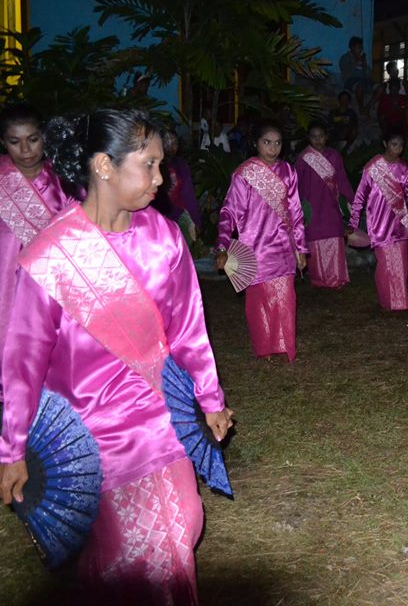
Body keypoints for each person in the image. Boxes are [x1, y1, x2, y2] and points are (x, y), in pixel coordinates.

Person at [0, 109, 233, 603]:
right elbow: (23, 361)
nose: (160, 178)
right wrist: (11, 448)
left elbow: (189, 329)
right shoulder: (51, 256)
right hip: (91, 438)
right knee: (121, 558)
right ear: (104, 165)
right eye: (148, 164)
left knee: (181, 525)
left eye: (162, 165)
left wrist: (210, 398)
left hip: (160, 418)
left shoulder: (163, 237)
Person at [216, 119, 307, 361]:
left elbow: (296, 213)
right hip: (254, 249)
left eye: (277, 143)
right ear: (256, 144)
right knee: (258, 302)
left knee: (286, 298)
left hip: (283, 247)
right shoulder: (244, 174)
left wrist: (301, 248)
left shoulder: (288, 171)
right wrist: (222, 245)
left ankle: (285, 345)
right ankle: (264, 347)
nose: (273, 148)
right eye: (267, 142)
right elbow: (229, 212)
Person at [0, 104, 72, 400]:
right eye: (14, 142)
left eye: (32, 139)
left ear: (44, 137)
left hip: (50, 280)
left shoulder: (63, 178)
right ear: (3, 143)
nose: (25, 149)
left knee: (50, 337)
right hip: (6, 279)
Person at [348, 130, 408, 311]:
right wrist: (353, 223)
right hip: (379, 225)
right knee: (385, 265)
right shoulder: (372, 167)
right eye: (393, 144)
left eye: (400, 145)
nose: (397, 149)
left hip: (400, 224)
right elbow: (359, 197)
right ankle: (387, 301)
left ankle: (400, 302)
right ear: (385, 143)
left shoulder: (405, 171)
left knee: (400, 264)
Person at [295, 120, 355, 289]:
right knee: (314, 239)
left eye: (321, 136)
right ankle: (318, 279)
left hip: (331, 205)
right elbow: (297, 184)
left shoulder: (334, 156)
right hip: (311, 207)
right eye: (314, 137)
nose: (318, 140)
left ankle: (337, 277)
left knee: (334, 237)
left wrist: (351, 198)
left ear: (327, 137)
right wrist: (298, 206)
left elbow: (342, 179)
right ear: (308, 138)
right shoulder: (304, 158)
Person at [155, 129, 202, 231]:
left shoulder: (180, 165)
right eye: (167, 141)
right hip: (155, 220)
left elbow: (188, 195)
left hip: (178, 219)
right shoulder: (151, 164)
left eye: (174, 142)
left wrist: (195, 221)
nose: (171, 145)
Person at [339, 36, 372, 115]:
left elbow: (369, 74)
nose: (360, 50)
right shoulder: (345, 57)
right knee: (360, 86)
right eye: (358, 48)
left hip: (365, 81)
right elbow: (345, 72)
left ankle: (369, 107)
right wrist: (356, 61)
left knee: (380, 88)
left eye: (361, 48)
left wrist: (364, 64)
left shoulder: (363, 58)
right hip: (352, 81)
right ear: (352, 47)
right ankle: (361, 107)